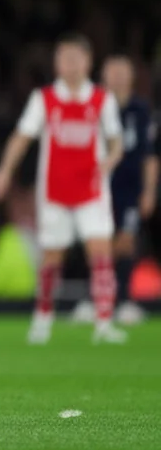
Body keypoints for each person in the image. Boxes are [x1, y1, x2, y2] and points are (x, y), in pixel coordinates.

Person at [0, 33, 127, 345]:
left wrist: (112, 159)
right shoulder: (45, 99)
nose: (69, 65)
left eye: (75, 58)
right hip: (54, 191)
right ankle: (43, 318)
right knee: (52, 258)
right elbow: (21, 137)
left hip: (92, 189)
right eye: (63, 58)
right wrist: (4, 171)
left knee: (101, 254)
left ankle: (104, 322)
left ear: (88, 62)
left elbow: (116, 139)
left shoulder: (101, 100)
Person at [71, 55, 156, 325]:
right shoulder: (92, 108)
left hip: (129, 190)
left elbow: (150, 156)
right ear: (103, 76)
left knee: (125, 243)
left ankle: (124, 300)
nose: (118, 77)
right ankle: (92, 299)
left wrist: (150, 191)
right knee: (96, 242)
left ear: (132, 76)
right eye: (113, 72)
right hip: (97, 188)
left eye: (123, 71)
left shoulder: (142, 111)